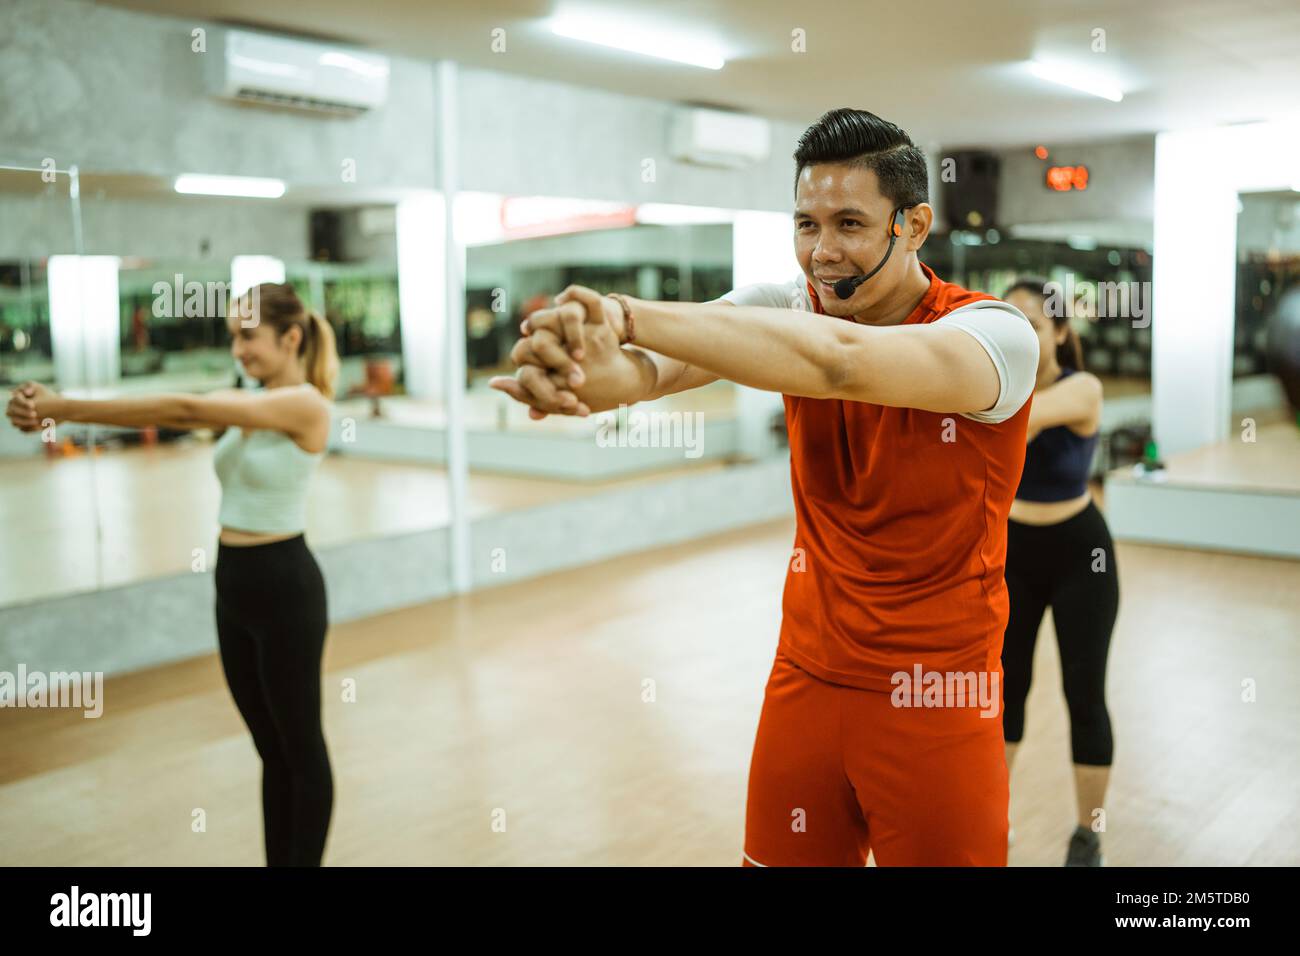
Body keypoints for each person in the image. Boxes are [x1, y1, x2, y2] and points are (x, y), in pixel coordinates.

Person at [491, 107, 1040, 866]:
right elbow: (650, 373)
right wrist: (579, 368)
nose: (822, 252)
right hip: (807, 672)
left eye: (849, 223)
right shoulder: (789, 308)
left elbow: (838, 361)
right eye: (805, 224)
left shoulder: (995, 336)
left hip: (935, 692)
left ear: (913, 225)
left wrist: (624, 312)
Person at [6, 282, 339, 867]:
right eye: (232, 336)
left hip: (285, 586)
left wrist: (66, 408)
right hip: (233, 583)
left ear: (291, 337)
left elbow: (183, 410)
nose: (237, 349)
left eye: (248, 336)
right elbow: (178, 411)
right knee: (270, 749)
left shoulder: (307, 404)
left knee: (301, 749)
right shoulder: (250, 400)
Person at [1001, 278, 1118, 867]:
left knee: (1084, 693)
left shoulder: (1083, 388)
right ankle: (991, 814)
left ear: (1061, 333)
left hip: (1081, 554)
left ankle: (1086, 833)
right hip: (1011, 552)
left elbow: (1023, 420)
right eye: (1008, 322)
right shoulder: (995, 385)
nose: (1019, 334)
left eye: (1033, 325)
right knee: (1003, 688)